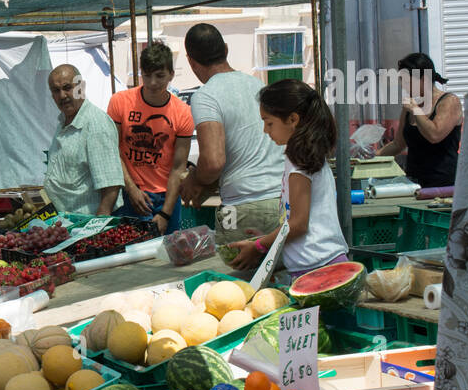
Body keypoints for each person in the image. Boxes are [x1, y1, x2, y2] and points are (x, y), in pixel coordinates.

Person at [178, 23, 284, 250]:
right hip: (281, 203)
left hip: (241, 209)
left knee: (237, 284)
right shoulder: (257, 85)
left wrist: (194, 179)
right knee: (278, 282)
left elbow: (214, 161)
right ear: (226, 49)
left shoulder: (206, 96)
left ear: (190, 61)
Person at [227, 80, 348, 277]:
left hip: (318, 267)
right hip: (321, 263)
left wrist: (259, 246)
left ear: (293, 119)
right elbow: (299, 220)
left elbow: (299, 224)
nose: (266, 131)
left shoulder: (298, 159)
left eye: (269, 123)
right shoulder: (304, 153)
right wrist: (270, 238)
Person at [106, 42, 194, 235]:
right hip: (130, 194)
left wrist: (165, 214)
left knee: (168, 258)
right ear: (141, 74)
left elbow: (178, 168)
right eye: (147, 75)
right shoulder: (120, 102)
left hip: (167, 197)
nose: (153, 82)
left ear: (171, 74)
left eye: (160, 76)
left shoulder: (183, 113)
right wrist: (131, 188)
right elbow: (112, 151)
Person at [371, 53, 463, 188]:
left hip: (444, 185)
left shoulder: (449, 102)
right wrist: (372, 158)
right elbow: (398, 144)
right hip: (415, 184)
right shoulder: (411, 106)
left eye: (408, 82)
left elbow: (434, 135)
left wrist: (416, 110)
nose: (404, 87)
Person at [42, 65, 123, 216]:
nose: (62, 95)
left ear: (80, 87)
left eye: (67, 88)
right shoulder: (64, 121)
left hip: (87, 224)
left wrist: (96, 230)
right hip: (67, 222)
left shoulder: (96, 124)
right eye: (56, 90)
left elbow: (111, 185)